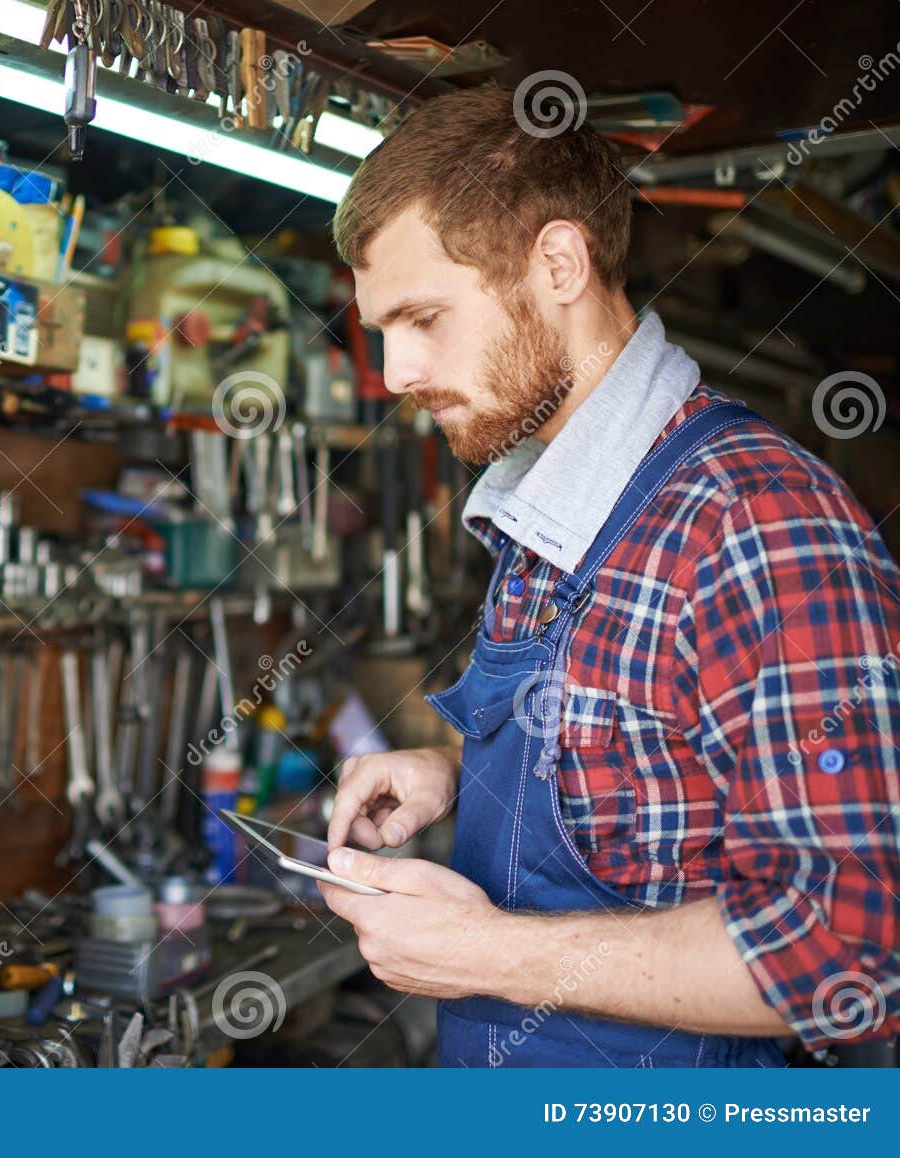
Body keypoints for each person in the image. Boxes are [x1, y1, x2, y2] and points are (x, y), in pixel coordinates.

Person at [317, 84, 900, 1067]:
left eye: (421, 319)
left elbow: (855, 951)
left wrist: (487, 953)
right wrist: (453, 778)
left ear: (557, 263)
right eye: (382, 330)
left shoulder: (752, 526)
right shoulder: (543, 510)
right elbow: (658, 770)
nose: (396, 372)